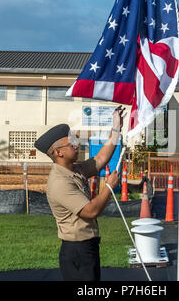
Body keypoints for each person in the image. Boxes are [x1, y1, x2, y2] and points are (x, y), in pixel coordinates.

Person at [34, 106, 125, 281]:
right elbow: (90, 211)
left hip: (86, 247)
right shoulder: (60, 182)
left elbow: (100, 159)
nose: (76, 144)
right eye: (71, 143)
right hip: (77, 251)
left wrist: (116, 128)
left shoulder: (74, 170)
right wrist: (109, 187)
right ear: (58, 152)